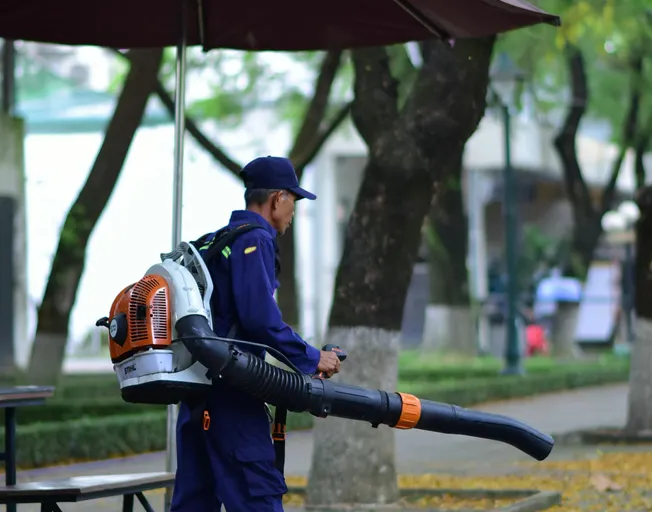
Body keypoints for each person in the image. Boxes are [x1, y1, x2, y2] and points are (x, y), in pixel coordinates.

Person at [171, 156, 342, 511]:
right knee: (256, 497)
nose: (294, 210)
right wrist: (313, 358)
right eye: (293, 200)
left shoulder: (214, 241)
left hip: (197, 393)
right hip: (232, 396)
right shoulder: (256, 239)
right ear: (277, 198)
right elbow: (260, 320)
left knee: (193, 501)